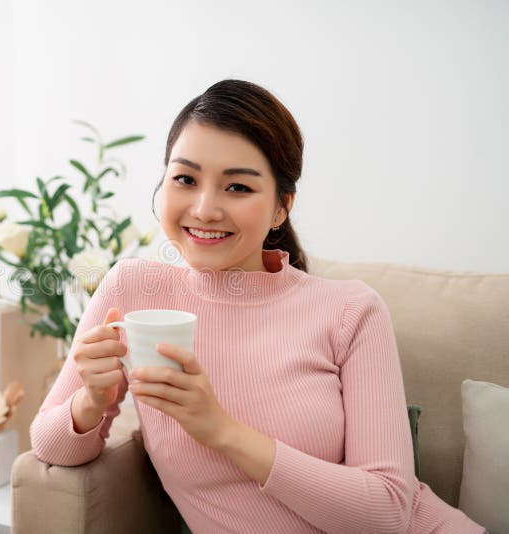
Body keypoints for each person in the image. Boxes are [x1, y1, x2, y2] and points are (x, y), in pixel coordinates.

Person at [29, 79, 485, 534]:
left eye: (238, 188)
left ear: (280, 208)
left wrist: (221, 431)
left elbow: (386, 513)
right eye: (185, 179)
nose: (205, 209)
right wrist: (92, 401)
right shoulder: (134, 291)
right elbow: (49, 446)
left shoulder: (350, 310)